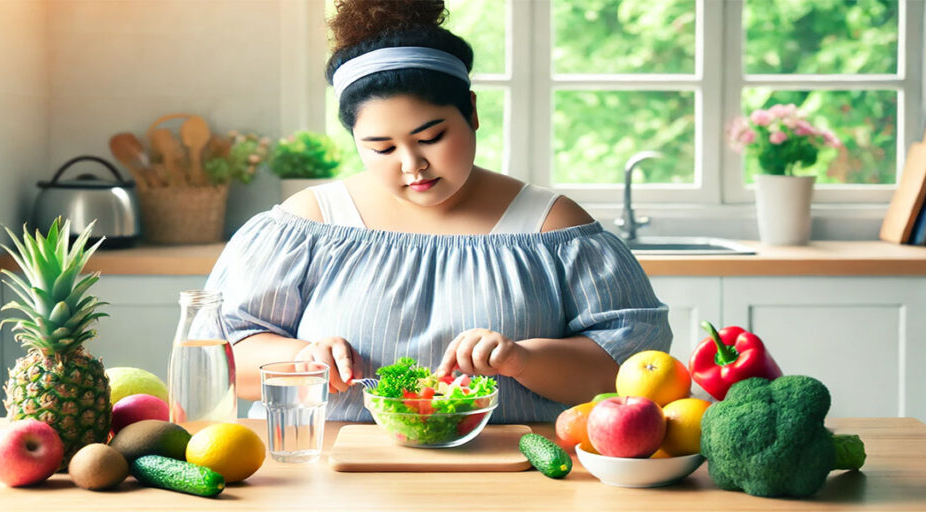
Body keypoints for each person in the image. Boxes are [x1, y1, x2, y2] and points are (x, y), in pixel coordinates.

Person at [204, 0, 672, 423]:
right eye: (382, 148)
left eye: (431, 138)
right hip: (333, 477)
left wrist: (522, 360)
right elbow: (219, 359)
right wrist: (304, 359)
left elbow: (630, 370)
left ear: (470, 111)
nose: (412, 165)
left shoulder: (554, 227)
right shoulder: (309, 223)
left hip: (520, 477)